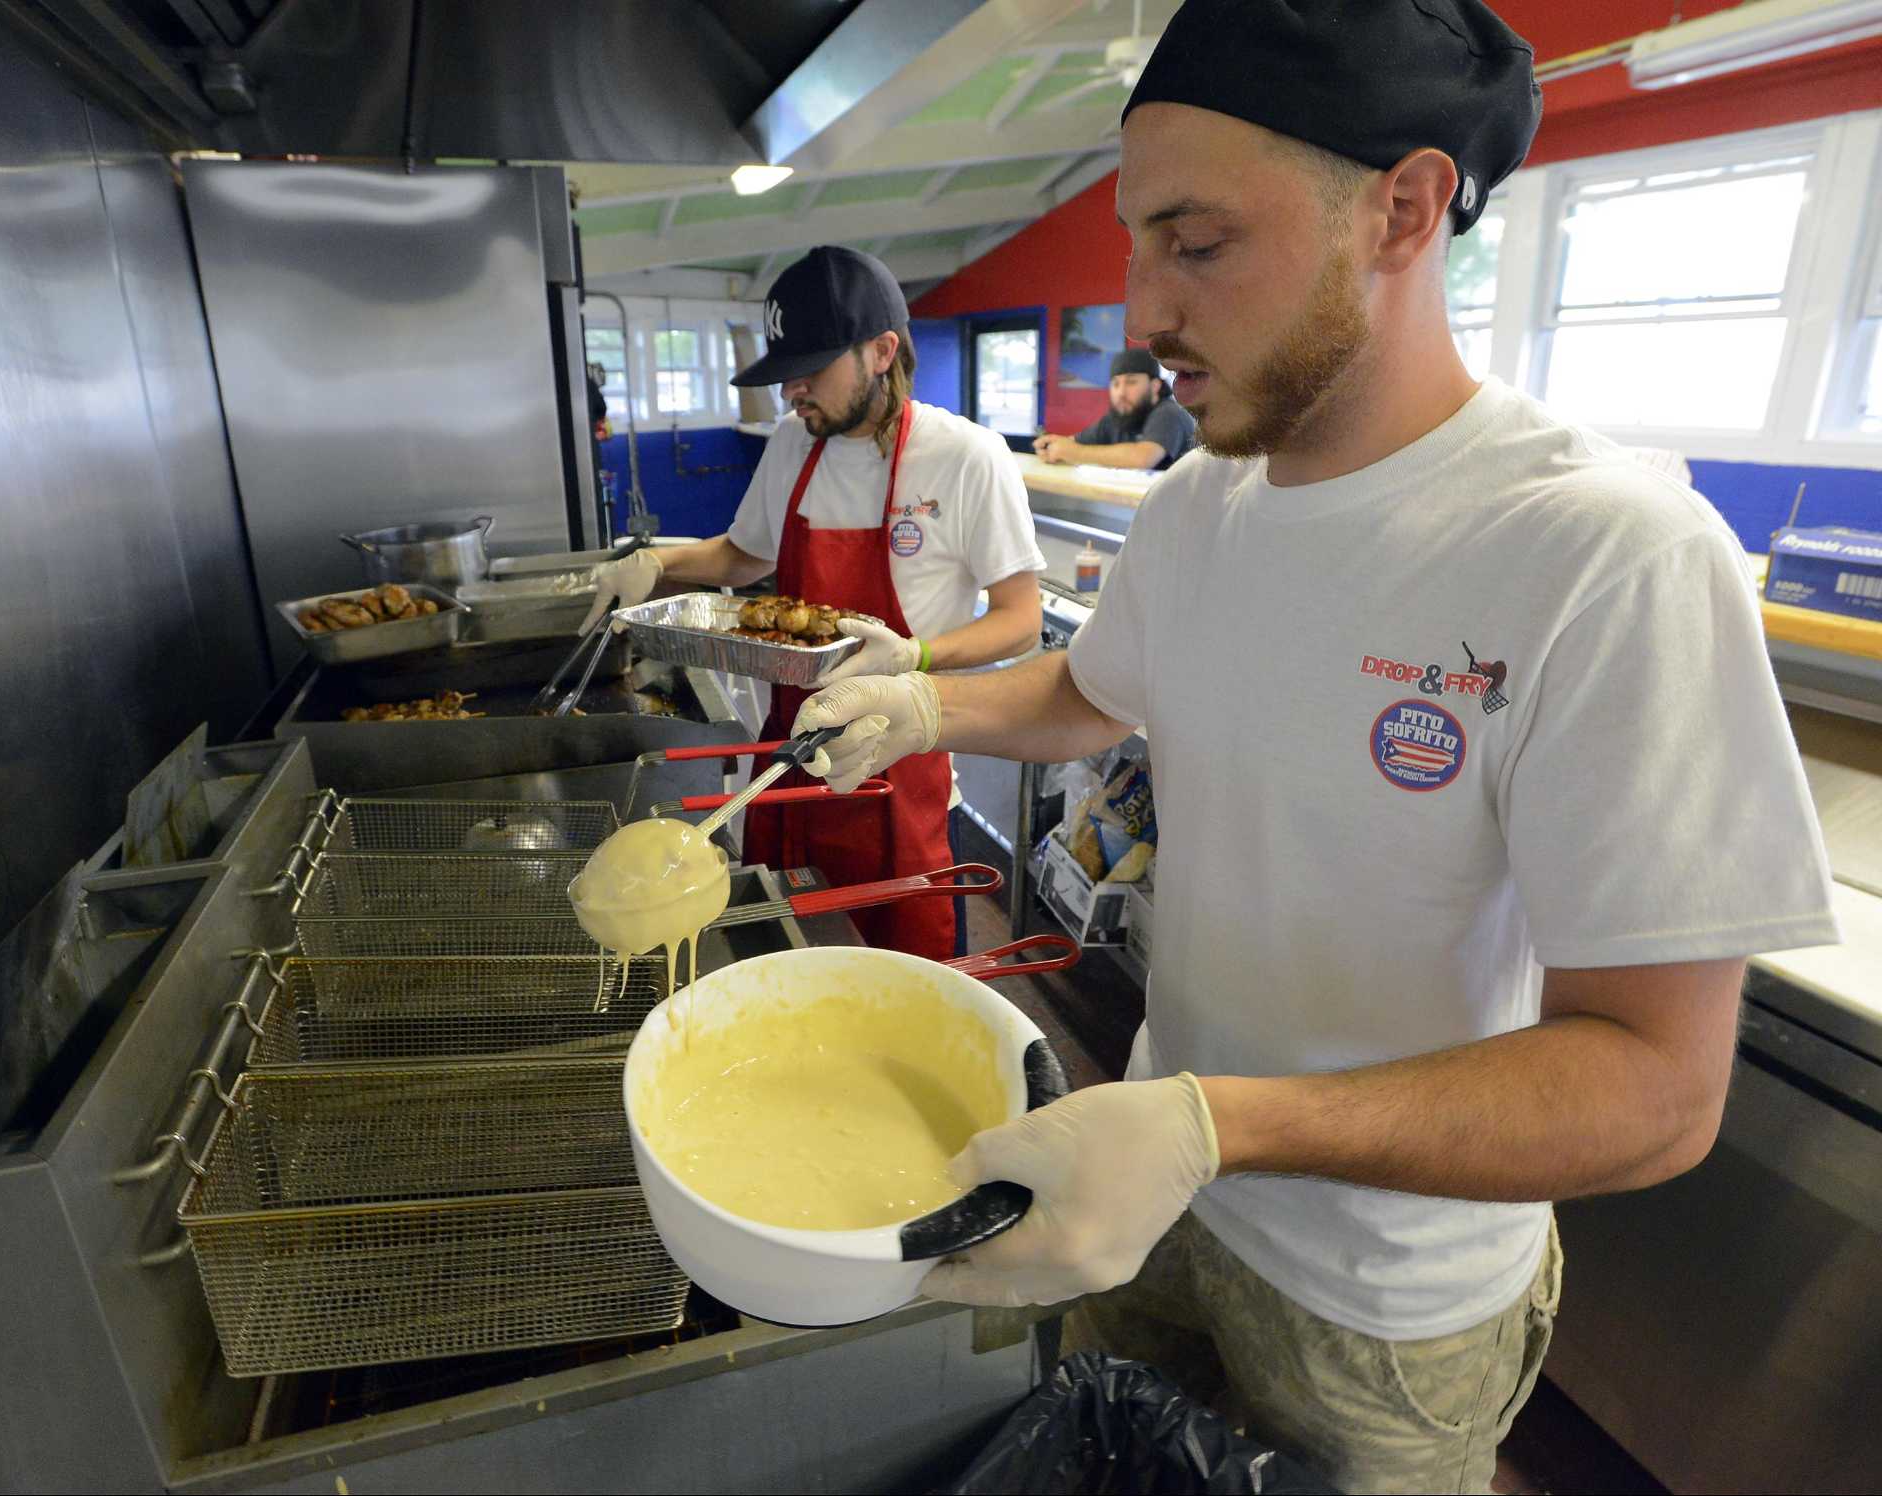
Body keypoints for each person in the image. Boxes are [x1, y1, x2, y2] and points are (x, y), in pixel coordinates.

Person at [782, 3, 1837, 1491]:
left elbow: (1659, 1090)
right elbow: (1096, 691)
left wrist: (1219, 1127)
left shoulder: (1602, 553)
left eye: (1197, 243)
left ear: (1402, 210)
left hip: (1380, 1304)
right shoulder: (1207, 505)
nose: (1141, 308)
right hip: (1150, 1202)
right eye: (1136, 241)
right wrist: (929, 704)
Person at [582, 245, 1045, 960]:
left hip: (901, 766)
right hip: (786, 760)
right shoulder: (794, 446)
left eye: (811, 371)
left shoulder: (966, 456)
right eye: (785, 374)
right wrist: (654, 565)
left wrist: (919, 655)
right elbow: (742, 556)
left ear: (882, 351)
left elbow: (1022, 621)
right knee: (787, 957)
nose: (791, 393)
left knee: (903, 987)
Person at [1033, 348, 1195, 470]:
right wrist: (1051, 447)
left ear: (1154, 386)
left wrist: (1073, 452)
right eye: (1116, 384)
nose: (1121, 392)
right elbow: (1072, 444)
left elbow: (1143, 458)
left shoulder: (1169, 412)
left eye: (1131, 382)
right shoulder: (1117, 417)